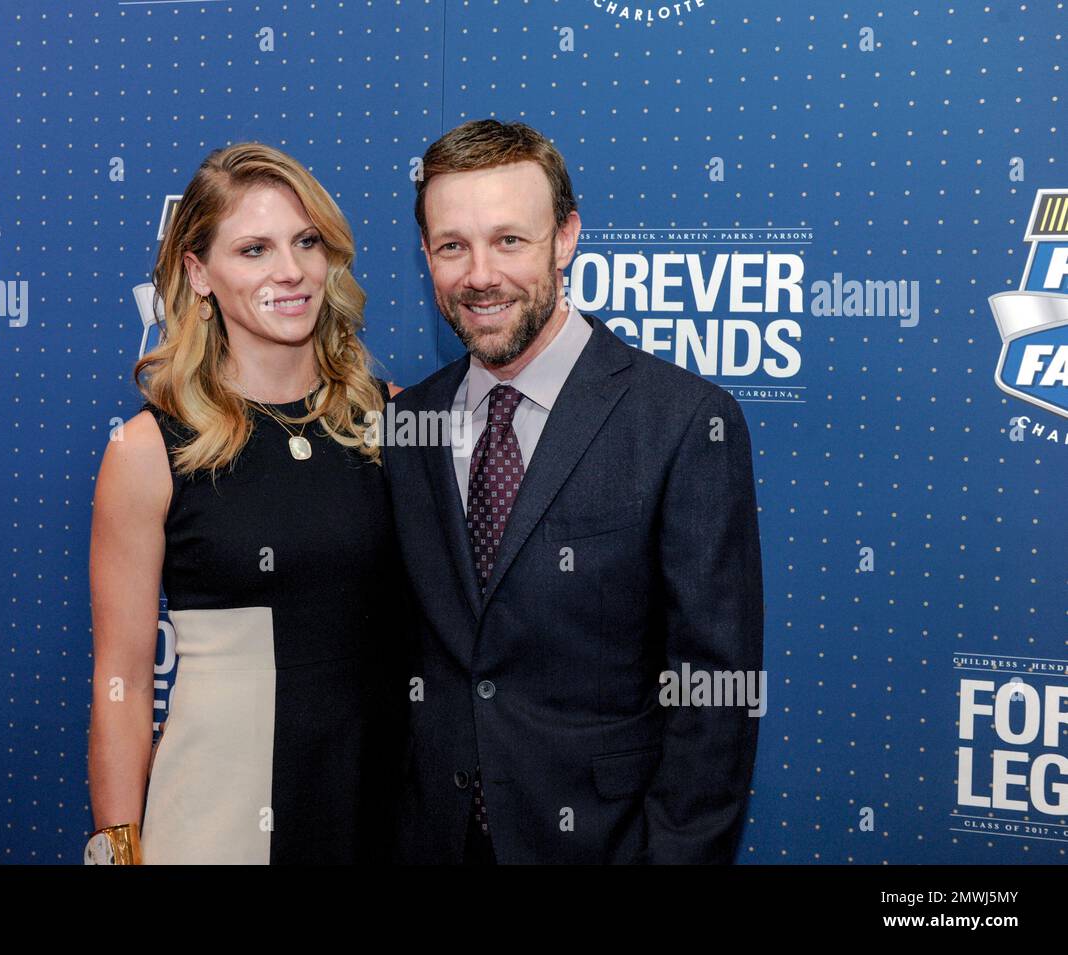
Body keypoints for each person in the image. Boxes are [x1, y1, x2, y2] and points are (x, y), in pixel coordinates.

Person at [384, 119, 765, 864]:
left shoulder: (684, 422)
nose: (480, 274)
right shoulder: (408, 424)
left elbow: (715, 692)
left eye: (510, 240)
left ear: (566, 238)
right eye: (453, 245)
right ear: (426, 254)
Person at [87, 142, 403, 864]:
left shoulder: (392, 422)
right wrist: (118, 852)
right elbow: (124, 684)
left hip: (379, 812)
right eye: (254, 249)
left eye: (305, 242)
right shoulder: (149, 451)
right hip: (217, 821)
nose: (289, 271)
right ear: (199, 272)